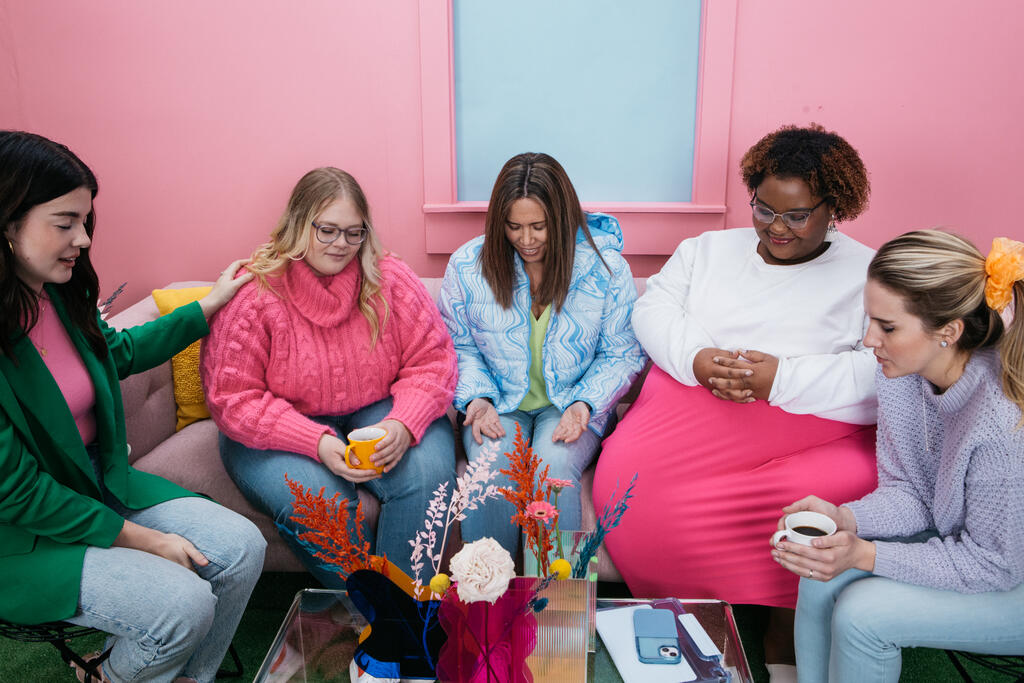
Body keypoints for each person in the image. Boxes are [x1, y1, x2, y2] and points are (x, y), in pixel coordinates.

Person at [594, 124, 879, 677]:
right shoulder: (705, 250)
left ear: (834, 208)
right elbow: (652, 311)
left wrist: (783, 380)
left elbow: (881, 370)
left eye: (796, 215)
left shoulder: (868, 272)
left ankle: (784, 634)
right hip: (688, 422)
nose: (776, 227)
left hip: (809, 433)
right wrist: (698, 359)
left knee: (833, 493)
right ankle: (686, 635)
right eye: (764, 208)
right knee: (628, 492)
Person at [0, 131, 265, 683]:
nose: (83, 238)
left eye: (85, 221)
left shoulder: (57, 294)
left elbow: (115, 351)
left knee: (241, 548)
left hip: (99, 484)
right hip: (23, 537)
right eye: (64, 222)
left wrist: (210, 303)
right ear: (7, 223)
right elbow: (19, 493)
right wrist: (144, 540)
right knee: (183, 604)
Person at [775, 230, 1024, 683]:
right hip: (971, 551)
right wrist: (845, 520)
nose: (869, 340)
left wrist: (864, 555)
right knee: (820, 572)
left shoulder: (1002, 423)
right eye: (870, 320)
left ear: (947, 332)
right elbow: (912, 492)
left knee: (863, 614)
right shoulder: (900, 374)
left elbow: (994, 564)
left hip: (1009, 576)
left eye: (887, 327)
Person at [201, 167, 457, 585]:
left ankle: (402, 623)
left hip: (379, 406)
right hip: (276, 427)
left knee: (427, 480)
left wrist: (403, 422)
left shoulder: (389, 279)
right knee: (325, 507)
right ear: (299, 224)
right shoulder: (256, 292)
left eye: (354, 232)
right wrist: (315, 442)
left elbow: (433, 360)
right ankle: (377, 619)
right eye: (328, 230)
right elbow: (232, 398)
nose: (342, 245)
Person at [438, 152, 646, 555]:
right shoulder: (467, 266)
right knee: (492, 469)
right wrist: (476, 397)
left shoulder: (606, 270)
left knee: (551, 467)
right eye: (514, 226)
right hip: (497, 403)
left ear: (563, 218)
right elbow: (456, 344)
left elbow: (621, 353)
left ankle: (555, 607)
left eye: (539, 226)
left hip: (571, 404)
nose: (527, 239)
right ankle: (488, 603)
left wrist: (587, 403)